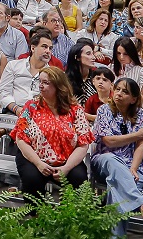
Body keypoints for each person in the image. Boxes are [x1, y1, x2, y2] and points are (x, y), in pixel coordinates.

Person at [11, 66, 93, 194]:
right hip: (34, 157)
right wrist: (39, 164)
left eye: (46, 83)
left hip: (67, 159)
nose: (40, 86)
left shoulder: (75, 110)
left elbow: (83, 144)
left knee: (79, 179)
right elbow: (20, 139)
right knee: (32, 179)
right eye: (40, 81)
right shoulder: (31, 106)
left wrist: (66, 168)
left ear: (59, 86)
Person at [91, 76, 143, 228]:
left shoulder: (142, 114)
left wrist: (133, 168)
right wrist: (137, 135)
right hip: (104, 161)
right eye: (117, 89)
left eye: (125, 92)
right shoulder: (104, 110)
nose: (119, 93)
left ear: (133, 99)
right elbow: (109, 141)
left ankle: (115, 237)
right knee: (111, 159)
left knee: (117, 189)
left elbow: (141, 145)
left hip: (136, 166)